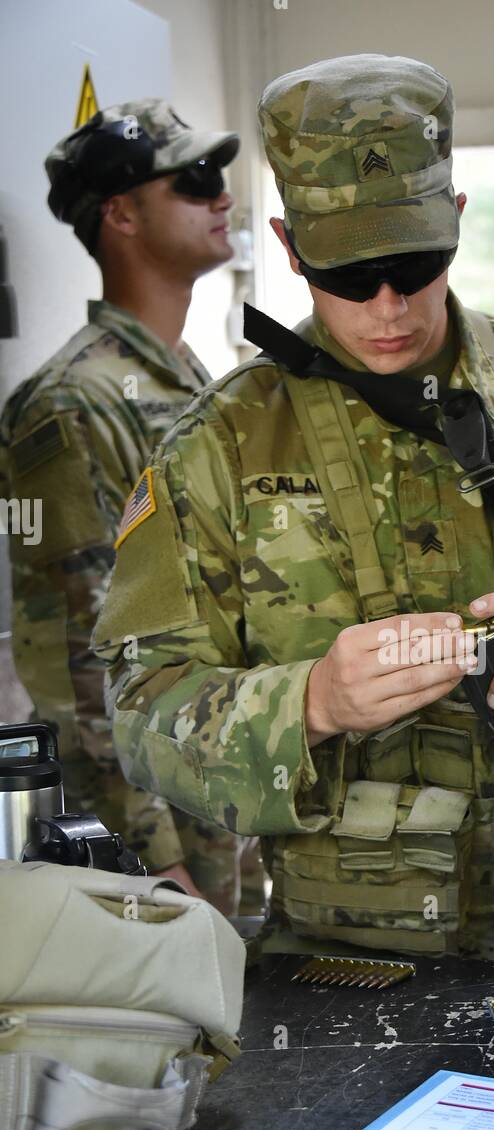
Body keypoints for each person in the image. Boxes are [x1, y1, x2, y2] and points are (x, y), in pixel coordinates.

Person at [93, 56, 494, 961]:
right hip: (342, 965)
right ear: (289, 249)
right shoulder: (219, 447)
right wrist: (311, 701)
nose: (389, 306)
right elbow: (140, 710)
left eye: (416, 264)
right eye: (350, 277)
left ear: (458, 222)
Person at [0, 99, 261, 912]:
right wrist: (138, 852)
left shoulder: (191, 379)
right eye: (193, 181)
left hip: (227, 788)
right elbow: (74, 651)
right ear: (120, 214)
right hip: (170, 833)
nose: (221, 197)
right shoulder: (72, 405)